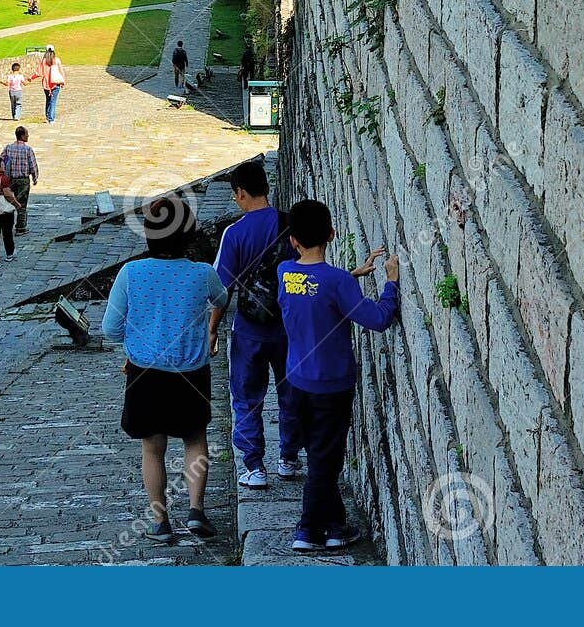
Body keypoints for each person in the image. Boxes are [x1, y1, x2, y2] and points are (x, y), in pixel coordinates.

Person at [101, 196, 229, 544]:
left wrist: (139, 340)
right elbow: (222, 300)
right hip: (192, 373)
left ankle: (160, 521)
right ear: (188, 234)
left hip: (145, 374)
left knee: (152, 448)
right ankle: (196, 511)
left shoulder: (131, 273)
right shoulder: (203, 273)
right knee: (195, 439)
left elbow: (110, 328)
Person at [277, 200, 400, 553]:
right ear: (332, 233)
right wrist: (390, 282)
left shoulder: (285, 272)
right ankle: (308, 530)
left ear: (293, 241)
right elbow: (377, 319)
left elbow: (313, 290)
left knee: (321, 455)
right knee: (324, 460)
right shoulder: (337, 282)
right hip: (331, 386)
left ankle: (335, 527)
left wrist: (351, 278)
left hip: (296, 381)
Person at [207, 160, 303, 489]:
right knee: (291, 392)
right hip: (290, 326)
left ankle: (254, 465)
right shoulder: (291, 226)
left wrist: (212, 328)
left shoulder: (234, 234)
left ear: (242, 193)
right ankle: (289, 458)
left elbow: (221, 291)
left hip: (249, 328)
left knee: (247, 396)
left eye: (236, 195)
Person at [1, 126, 40, 236]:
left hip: (10, 179)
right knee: (21, 204)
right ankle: (20, 227)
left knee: (8, 203)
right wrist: (35, 177)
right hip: (23, 180)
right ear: (22, 136)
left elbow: (2, 162)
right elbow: (33, 165)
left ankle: (6, 226)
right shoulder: (28, 150)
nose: (28, 136)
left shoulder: (8, 148)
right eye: (27, 134)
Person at [34, 46, 66, 124]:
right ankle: (51, 118)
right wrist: (63, 81)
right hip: (55, 83)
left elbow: (38, 72)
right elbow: (61, 71)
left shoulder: (44, 61)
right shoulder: (56, 60)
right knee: (53, 101)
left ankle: (48, 116)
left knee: (48, 100)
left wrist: (30, 78)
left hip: (46, 84)